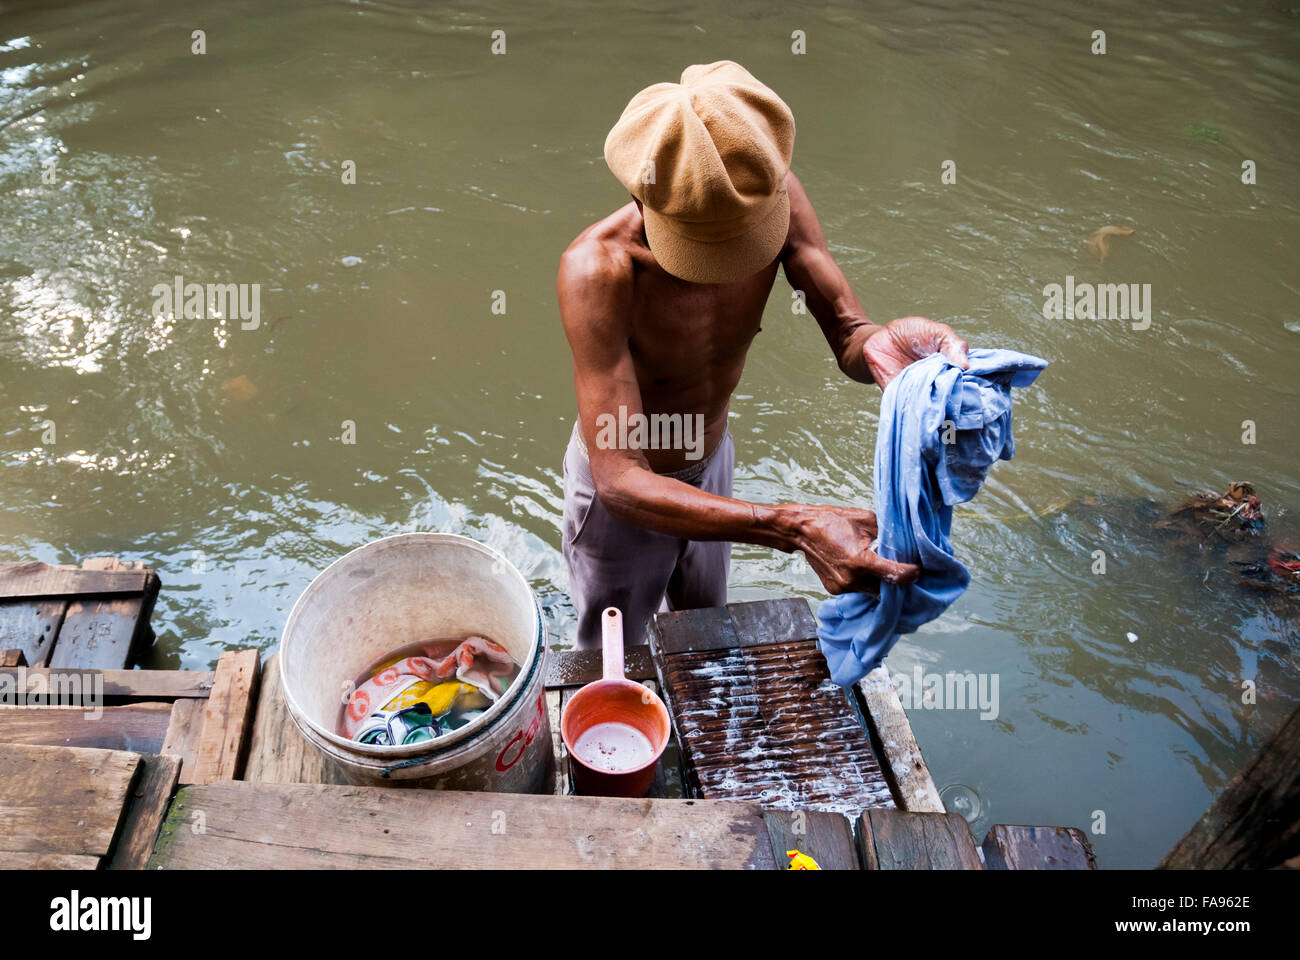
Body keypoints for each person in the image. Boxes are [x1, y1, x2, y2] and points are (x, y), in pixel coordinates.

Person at [558, 60, 969, 649]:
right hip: (630, 491)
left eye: (742, 237)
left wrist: (885, 350)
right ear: (639, 192)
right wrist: (794, 525)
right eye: (706, 242)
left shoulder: (770, 196)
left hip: (712, 459)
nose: (730, 262)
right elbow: (620, 477)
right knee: (613, 657)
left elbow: (850, 334)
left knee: (706, 633)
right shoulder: (598, 271)